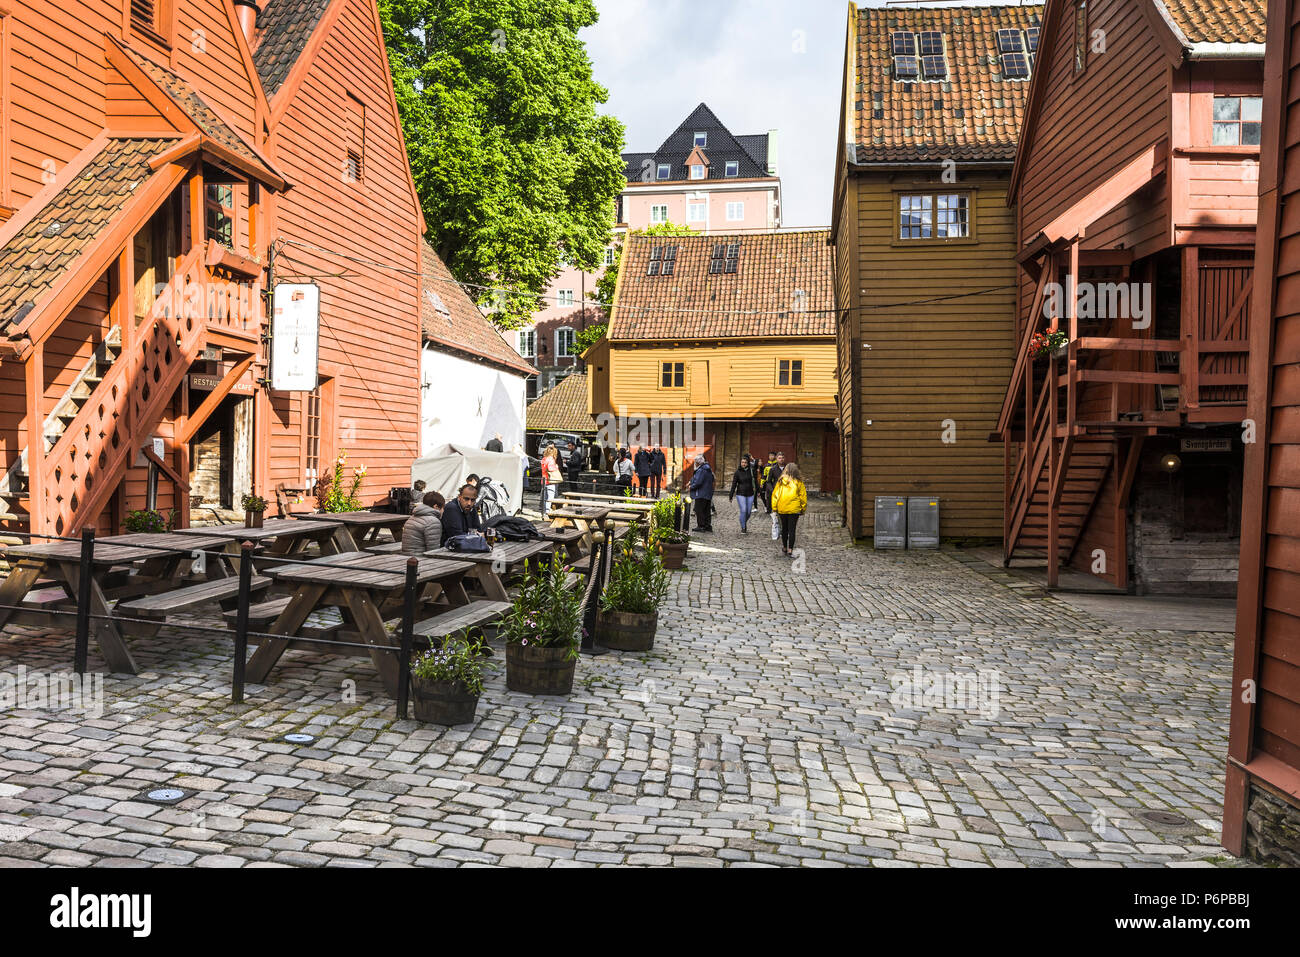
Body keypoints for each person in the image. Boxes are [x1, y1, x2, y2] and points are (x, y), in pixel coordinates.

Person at [771, 463, 807, 557]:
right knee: (792, 530)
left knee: (784, 529)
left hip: (782, 508)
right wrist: (803, 508)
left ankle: (784, 547)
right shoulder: (799, 482)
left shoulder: (780, 481)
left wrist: (774, 508)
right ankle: (790, 549)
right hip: (794, 509)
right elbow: (803, 497)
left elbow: (775, 495)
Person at [402, 491, 445, 555]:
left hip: (407, 556)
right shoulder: (433, 521)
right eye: (442, 508)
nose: (443, 510)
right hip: (420, 559)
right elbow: (433, 550)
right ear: (436, 507)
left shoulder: (412, 517)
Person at [728, 454, 757, 533]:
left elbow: (755, 480)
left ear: (748, 463)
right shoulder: (737, 472)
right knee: (743, 510)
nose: (743, 464)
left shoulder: (751, 470)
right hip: (740, 493)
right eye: (742, 462)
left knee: (748, 512)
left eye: (745, 462)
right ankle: (743, 527)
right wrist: (731, 495)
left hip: (750, 494)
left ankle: (742, 520)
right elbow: (734, 484)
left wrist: (758, 491)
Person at [688, 453, 714, 532]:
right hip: (707, 493)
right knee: (706, 510)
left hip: (701, 493)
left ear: (698, 462)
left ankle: (701, 526)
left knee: (699, 510)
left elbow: (698, 482)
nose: (694, 464)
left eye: (695, 462)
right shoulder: (707, 468)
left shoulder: (701, 470)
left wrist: (691, 487)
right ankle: (707, 525)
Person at [541, 444, 562, 513]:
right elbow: (550, 468)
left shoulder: (544, 459)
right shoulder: (551, 459)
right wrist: (556, 467)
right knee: (550, 497)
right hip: (550, 480)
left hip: (544, 480)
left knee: (545, 497)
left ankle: (544, 511)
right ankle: (547, 511)